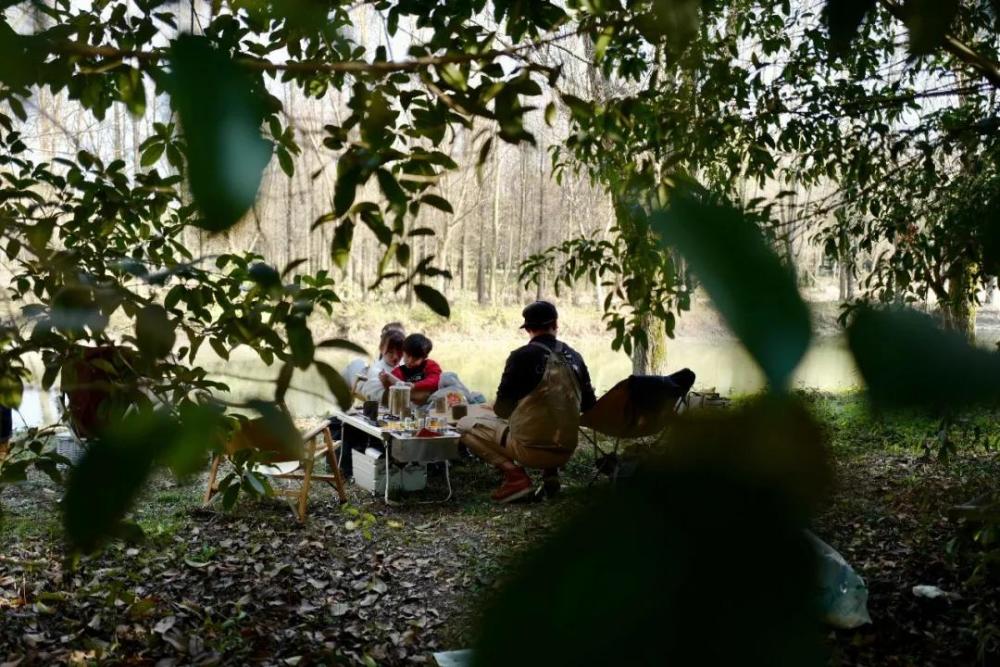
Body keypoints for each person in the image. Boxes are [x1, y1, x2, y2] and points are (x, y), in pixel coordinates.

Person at [458, 300, 596, 503]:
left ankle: (515, 477)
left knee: (463, 425)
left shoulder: (521, 357)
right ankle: (551, 477)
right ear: (556, 324)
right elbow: (588, 406)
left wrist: (484, 410)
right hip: (566, 450)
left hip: (530, 452)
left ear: (528, 328)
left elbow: (503, 410)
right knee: (550, 411)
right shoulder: (575, 357)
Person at [381, 333, 442, 405]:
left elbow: (436, 380)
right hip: (412, 404)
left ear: (424, 358)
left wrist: (414, 386)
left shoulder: (430, 365)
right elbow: (392, 389)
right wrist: (385, 381)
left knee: (448, 377)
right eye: (407, 356)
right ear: (403, 353)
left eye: (415, 359)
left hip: (432, 401)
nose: (410, 361)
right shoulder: (398, 372)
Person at [358, 324, 405, 402]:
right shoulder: (376, 372)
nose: (396, 357)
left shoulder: (407, 366)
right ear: (381, 349)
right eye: (390, 352)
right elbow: (381, 399)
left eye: (400, 352)